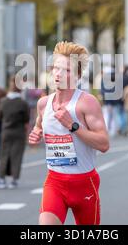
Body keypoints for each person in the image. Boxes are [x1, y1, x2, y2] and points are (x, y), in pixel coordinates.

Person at [29, 41, 109, 225]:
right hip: (55, 182)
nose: (58, 74)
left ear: (77, 75)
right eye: (56, 68)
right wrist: (35, 133)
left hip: (84, 184)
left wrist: (73, 126)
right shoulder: (43, 104)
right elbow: (38, 126)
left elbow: (104, 144)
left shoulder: (86, 103)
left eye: (66, 70)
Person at [0, 77, 30, 189]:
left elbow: (0, 116)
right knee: (16, 156)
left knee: (4, 155)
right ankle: (14, 179)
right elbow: (26, 119)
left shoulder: (3, 101)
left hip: (6, 131)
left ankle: (1, 179)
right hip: (19, 131)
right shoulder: (23, 103)